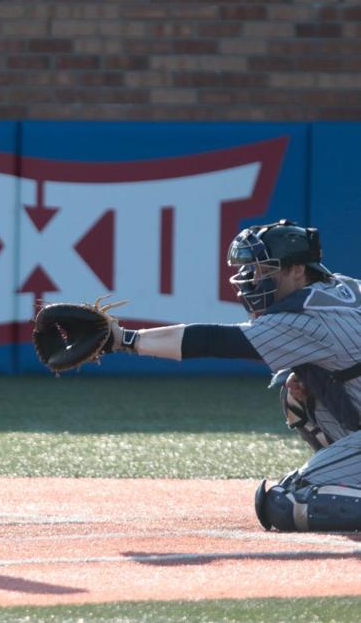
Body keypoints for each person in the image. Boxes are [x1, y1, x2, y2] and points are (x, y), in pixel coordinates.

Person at [102, 219, 361, 532]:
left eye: (265, 270)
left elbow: (218, 341)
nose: (253, 280)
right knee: (298, 393)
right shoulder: (341, 288)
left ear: (298, 270)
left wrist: (125, 340)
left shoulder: (304, 315)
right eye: (251, 270)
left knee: (287, 502)